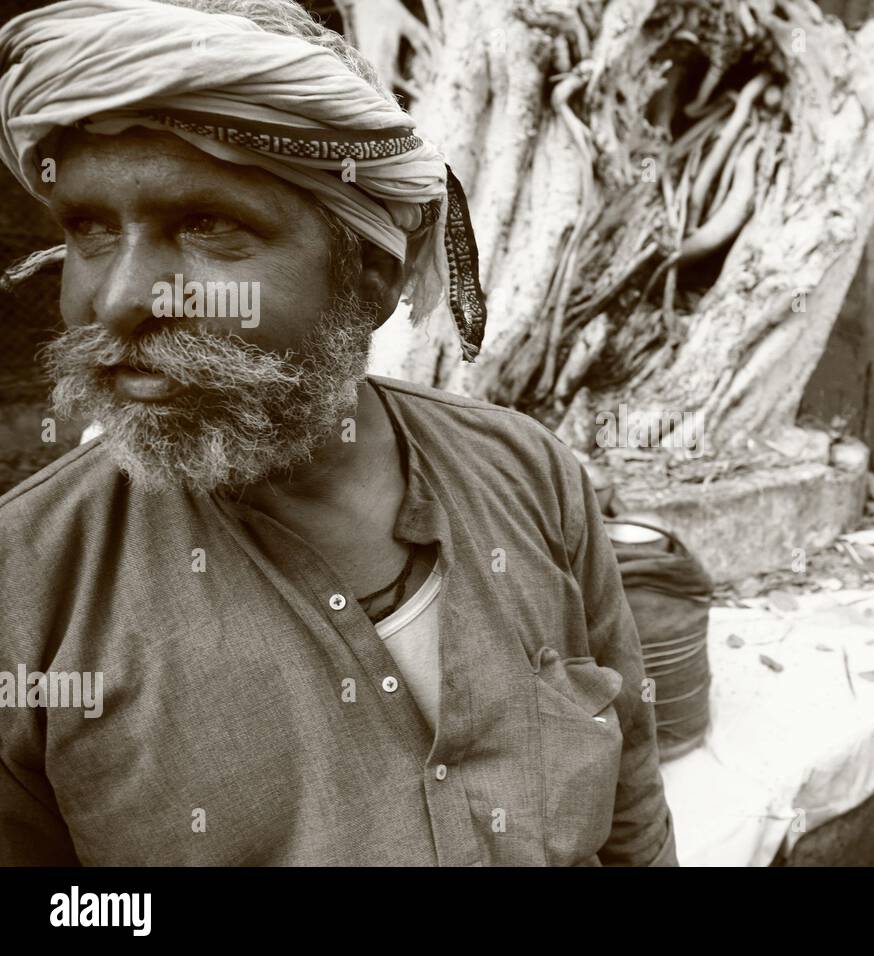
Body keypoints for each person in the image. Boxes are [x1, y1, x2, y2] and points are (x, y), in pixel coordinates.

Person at [0, 0, 675, 866]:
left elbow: (633, 800)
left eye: (208, 225)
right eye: (90, 229)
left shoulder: (531, 474)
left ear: (372, 279)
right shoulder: (27, 588)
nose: (122, 297)